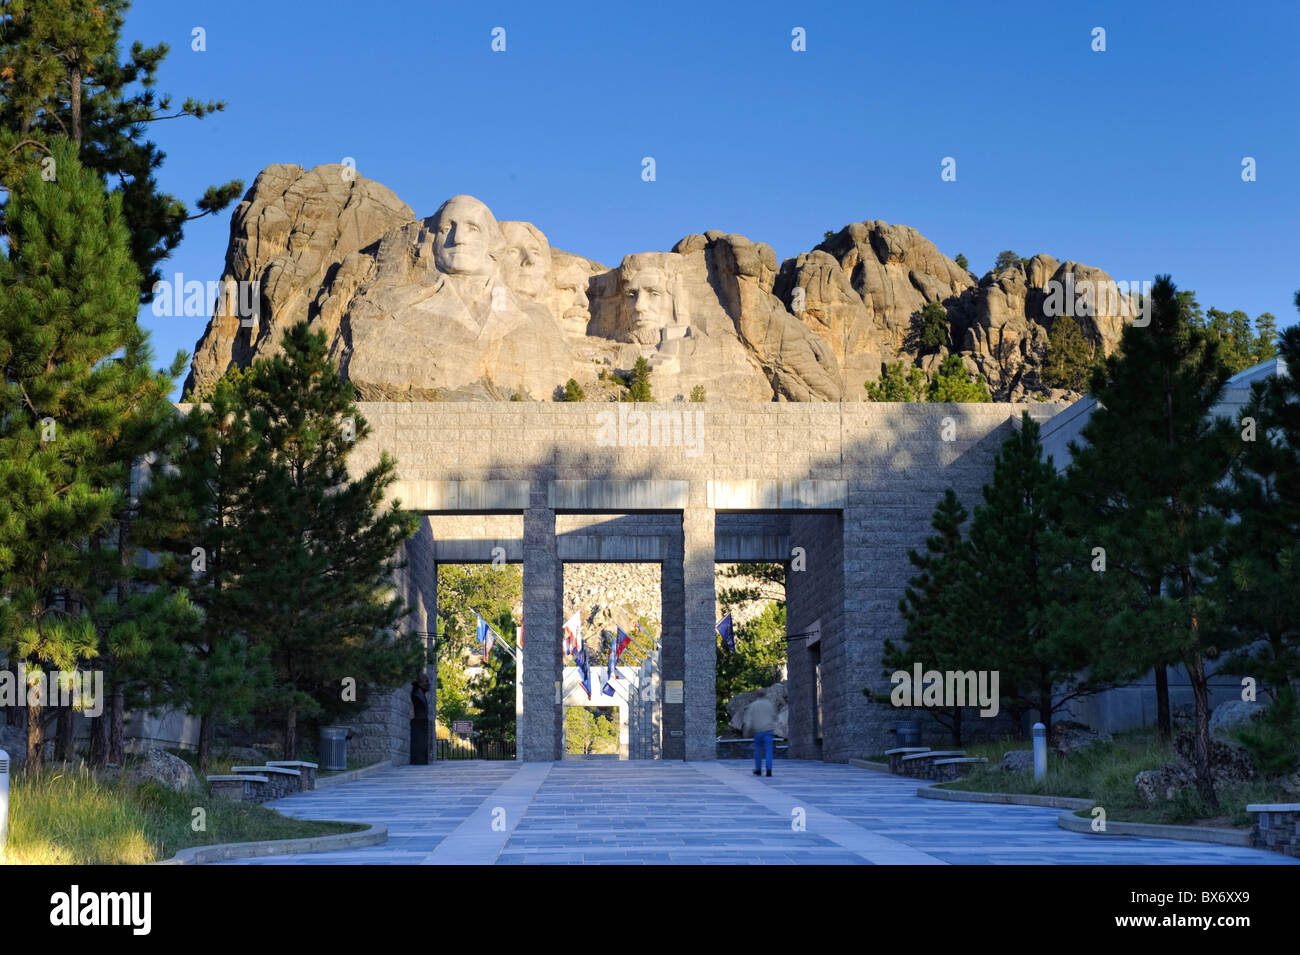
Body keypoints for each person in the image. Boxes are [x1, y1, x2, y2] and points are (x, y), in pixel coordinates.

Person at [742, 687, 776, 777]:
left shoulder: (753, 705)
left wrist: (746, 730)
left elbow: (749, 720)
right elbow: (774, 717)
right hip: (768, 731)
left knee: (758, 751)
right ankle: (769, 770)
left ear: (757, 695)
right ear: (765, 695)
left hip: (758, 732)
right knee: (769, 751)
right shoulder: (770, 705)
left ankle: (758, 770)